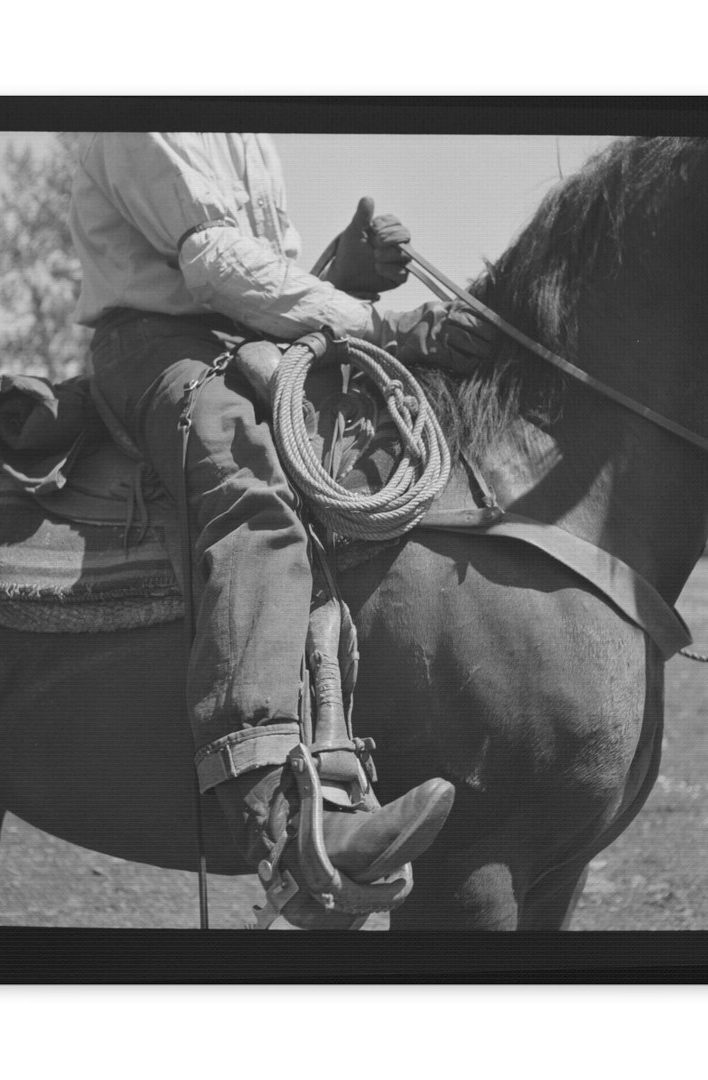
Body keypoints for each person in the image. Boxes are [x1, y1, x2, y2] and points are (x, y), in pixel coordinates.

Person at [68, 133, 489, 913]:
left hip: (239, 337)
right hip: (159, 350)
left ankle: (343, 753)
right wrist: (381, 323)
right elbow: (214, 265)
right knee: (254, 501)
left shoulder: (243, 126)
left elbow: (248, 275)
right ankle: (283, 824)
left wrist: (342, 265)